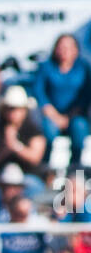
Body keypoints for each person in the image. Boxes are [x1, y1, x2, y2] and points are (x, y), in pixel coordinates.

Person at [33, 33, 91, 164]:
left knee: (79, 128)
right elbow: (39, 92)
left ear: (76, 50)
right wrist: (54, 116)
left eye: (69, 47)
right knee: (48, 130)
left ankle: (76, 165)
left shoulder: (83, 68)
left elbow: (86, 95)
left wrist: (70, 116)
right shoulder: (46, 67)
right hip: (51, 115)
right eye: (61, 47)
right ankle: (46, 167)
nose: (65, 51)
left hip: (76, 115)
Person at [0, 87, 46, 189]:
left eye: (16, 108)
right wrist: (6, 149)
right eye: (9, 108)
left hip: (27, 177)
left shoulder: (33, 131)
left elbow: (35, 158)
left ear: (24, 110)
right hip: (1, 179)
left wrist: (16, 146)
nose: (13, 113)